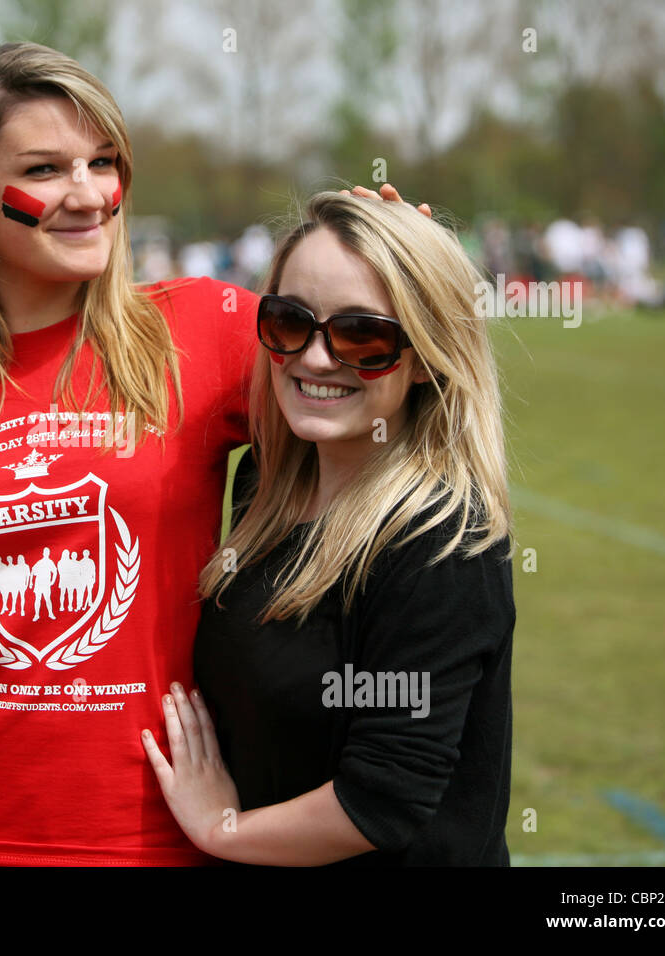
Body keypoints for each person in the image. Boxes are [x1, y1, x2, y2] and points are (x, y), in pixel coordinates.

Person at [0, 43, 424, 866]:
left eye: (103, 162)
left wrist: (396, 275)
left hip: (162, 837)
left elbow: (382, 383)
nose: (88, 194)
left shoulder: (202, 329)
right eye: (43, 169)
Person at [142, 191, 515, 865]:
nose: (315, 358)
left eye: (363, 335)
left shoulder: (441, 543)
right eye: (288, 321)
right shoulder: (270, 478)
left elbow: (384, 799)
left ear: (429, 354)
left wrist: (221, 830)